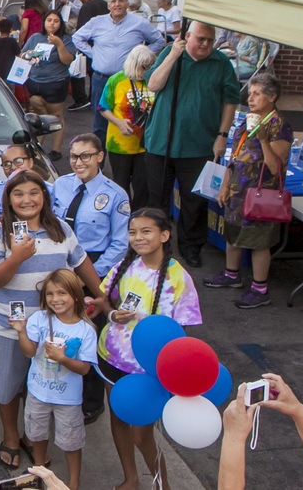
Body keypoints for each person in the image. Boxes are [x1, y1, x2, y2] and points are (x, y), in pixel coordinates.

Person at [0, 171, 105, 469]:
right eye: (18, 194)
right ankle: (11, 436)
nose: (27, 199)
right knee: (8, 386)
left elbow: (81, 261)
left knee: (42, 385)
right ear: (8, 199)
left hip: (54, 329)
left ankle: (33, 436)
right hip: (12, 328)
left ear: (44, 197)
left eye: (34, 192)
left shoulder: (60, 228)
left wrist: (102, 297)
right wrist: (16, 258)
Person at [91, 209, 201, 490]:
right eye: (132, 232)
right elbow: (105, 302)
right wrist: (113, 315)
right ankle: (130, 477)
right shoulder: (125, 266)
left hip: (149, 369)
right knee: (118, 422)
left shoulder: (179, 278)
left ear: (164, 235)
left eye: (146, 231)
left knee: (143, 435)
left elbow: (182, 332)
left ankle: (162, 484)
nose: (138, 237)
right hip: (112, 358)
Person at [143, 21, 240, 266]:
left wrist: (223, 135)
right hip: (161, 143)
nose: (205, 44)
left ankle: (191, 247)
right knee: (158, 199)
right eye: (200, 39)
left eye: (210, 39)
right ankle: (158, 246)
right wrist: (174, 54)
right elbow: (153, 84)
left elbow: (231, 100)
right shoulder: (170, 52)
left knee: (194, 201)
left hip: (198, 144)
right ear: (188, 36)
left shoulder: (220, 63)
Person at [207, 73, 293, 309]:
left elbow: (275, 167)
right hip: (238, 189)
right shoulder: (247, 120)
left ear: (272, 97)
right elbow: (234, 157)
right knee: (232, 233)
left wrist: (264, 139)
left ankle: (260, 288)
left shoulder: (279, 126)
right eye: (250, 93)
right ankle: (231, 274)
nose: (250, 98)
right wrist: (225, 185)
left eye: (257, 94)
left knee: (258, 242)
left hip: (261, 193)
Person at [10, 269, 97, 489]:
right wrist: (21, 331)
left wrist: (63, 359)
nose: (55, 299)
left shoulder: (86, 330)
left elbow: (84, 369)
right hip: (38, 392)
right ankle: (40, 473)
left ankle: (73, 484)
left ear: (76, 295)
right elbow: (29, 352)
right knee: (37, 435)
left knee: (71, 442)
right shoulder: (39, 318)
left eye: (62, 293)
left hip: (68, 399)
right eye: (50, 294)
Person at [72, 0, 165, 137]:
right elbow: (77, 38)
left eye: (121, 1)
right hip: (101, 80)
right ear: (108, 5)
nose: (117, 4)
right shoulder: (97, 22)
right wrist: (93, 54)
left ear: (127, 4)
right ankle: (100, 159)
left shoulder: (139, 23)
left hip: (127, 81)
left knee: (128, 122)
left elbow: (159, 41)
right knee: (99, 125)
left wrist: (141, 57)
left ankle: (122, 157)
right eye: (113, 1)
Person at [53, 134, 132, 276]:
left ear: (100, 157)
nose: (78, 163)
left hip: (95, 264)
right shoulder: (60, 184)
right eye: (73, 157)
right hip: (58, 260)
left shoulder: (116, 195)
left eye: (85, 156)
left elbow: (120, 245)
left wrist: (90, 275)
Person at [100, 45, 159, 209]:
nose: (146, 71)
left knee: (143, 188)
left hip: (145, 145)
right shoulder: (116, 80)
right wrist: (118, 122)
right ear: (134, 64)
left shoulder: (153, 80)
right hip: (120, 145)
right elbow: (103, 108)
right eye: (143, 67)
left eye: (150, 67)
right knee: (121, 186)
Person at [20, 10, 77, 160]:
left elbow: (67, 60)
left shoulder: (65, 39)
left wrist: (58, 44)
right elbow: (22, 54)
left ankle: (56, 150)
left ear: (60, 24)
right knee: (38, 114)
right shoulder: (36, 37)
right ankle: (38, 147)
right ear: (44, 22)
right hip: (35, 81)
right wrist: (29, 54)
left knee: (56, 115)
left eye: (56, 21)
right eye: (49, 20)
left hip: (55, 82)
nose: (52, 23)